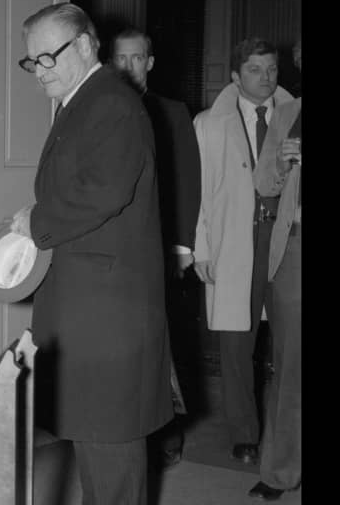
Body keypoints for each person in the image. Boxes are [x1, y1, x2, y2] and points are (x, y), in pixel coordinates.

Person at [10, 3, 172, 504]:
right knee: (96, 455)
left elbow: (103, 191)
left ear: (85, 45)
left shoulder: (110, 104)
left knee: (112, 461)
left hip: (108, 321)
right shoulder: (83, 102)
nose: (40, 72)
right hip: (89, 312)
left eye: (48, 57)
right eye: (32, 62)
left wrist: (35, 221)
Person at [192, 37, 293, 466]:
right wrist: (201, 249)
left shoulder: (296, 115)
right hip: (234, 240)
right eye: (254, 69)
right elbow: (200, 191)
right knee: (236, 344)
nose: (266, 78)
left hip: (287, 241)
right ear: (235, 75)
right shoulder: (208, 124)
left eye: (271, 69)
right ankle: (245, 433)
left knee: (290, 346)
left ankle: (287, 440)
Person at [111, 27, 202, 468]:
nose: (128, 66)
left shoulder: (172, 112)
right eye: (121, 58)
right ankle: (127, 431)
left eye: (136, 58)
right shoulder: (101, 110)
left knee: (165, 343)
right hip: (115, 253)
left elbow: (187, 179)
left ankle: (166, 432)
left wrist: (182, 246)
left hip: (161, 248)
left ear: (149, 62)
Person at [248, 39, 301, 502]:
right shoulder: (287, 112)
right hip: (296, 253)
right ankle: (280, 471)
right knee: (288, 366)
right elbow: (263, 182)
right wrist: (281, 164)